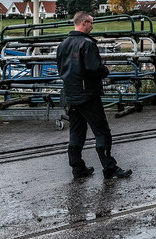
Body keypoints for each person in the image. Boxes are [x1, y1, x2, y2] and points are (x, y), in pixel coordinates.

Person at [55, 11, 131, 179]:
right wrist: (105, 70)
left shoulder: (63, 44)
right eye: (91, 22)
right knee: (102, 131)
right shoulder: (87, 44)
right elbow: (93, 68)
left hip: (71, 94)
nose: (92, 26)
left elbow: (61, 70)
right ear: (83, 23)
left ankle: (77, 167)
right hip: (88, 94)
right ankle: (109, 167)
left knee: (76, 132)